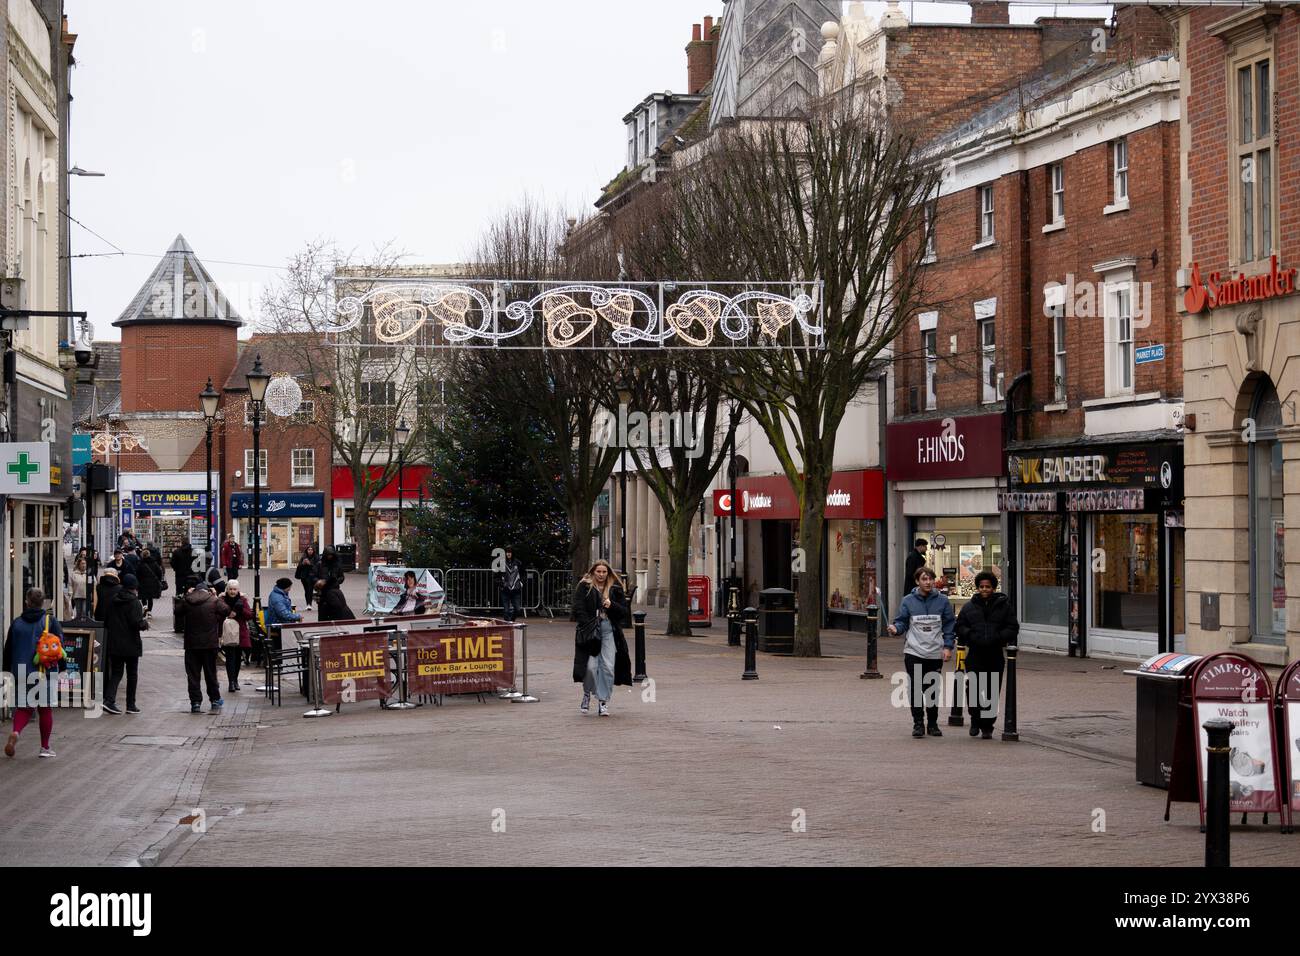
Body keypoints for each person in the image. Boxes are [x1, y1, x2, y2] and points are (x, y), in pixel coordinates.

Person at [888, 566, 955, 739]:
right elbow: (902, 622)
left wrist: (948, 647)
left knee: (932, 689)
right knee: (916, 688)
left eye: (930, 579)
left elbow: (949, 625)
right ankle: (918, 723)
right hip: (914, 652)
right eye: (924, 579)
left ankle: (932, 724)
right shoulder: (908, 601)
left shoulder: (943, 601)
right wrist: (896, 629)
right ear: (917, 581)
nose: (928, 582)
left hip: (934, 653)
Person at [955, 570, 1019, 739]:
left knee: (991, 691)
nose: (984, 589)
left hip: (995, 655)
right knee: (974, 689)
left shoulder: (1004, 607)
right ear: (977, 588)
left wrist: (999, 637)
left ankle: (988, 725)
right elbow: (960, 626)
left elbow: (1013, 627)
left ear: (993, 588)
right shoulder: (968, 607)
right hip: (975, 654)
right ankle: (975, 719)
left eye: (988, 587)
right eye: (981, 586)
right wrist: (970, 635)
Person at [3, 589, 64, 758]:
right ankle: (44, 748)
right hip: (44, 671)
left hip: (22, 671)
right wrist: (64, 668)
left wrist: (7, 670)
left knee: (23, 708)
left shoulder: (16, 623)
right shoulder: (50, 621)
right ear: (43, 602)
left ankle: (15, 732)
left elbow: (8, 649)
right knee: (45, 710)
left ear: (26, 602)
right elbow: (59, 647)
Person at [571, 560, 632, 717]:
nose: (601, 575)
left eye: (604, 572)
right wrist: (588, 624)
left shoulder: (615, 588)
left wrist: (611, 605)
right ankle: (587, 693)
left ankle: (603, 701)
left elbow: (624, 612)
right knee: (590, 667)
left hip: (609, 631)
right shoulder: (584, 586)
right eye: (598, 571)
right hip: (591, 632)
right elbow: (578, 608)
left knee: (608, 667)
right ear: (593, 572)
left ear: (608, 573)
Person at [102, 573, 147, 715]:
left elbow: (107, 620)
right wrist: (144, 623)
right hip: (131, 644)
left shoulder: (113, 600)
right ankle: (131, 704)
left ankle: (109, 700)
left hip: (115, 643)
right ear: (134, 587)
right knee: (132, 674)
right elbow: (136, 623)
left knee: (116, 673)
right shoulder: (134, 602)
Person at [177, 582, 225, 714]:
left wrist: (187, 595)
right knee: (210, 673)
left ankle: (195, 703)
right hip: (210, 645)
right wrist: (215, 596)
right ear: (207, 590)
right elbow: (226, 610)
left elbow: (177, 611)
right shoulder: (213, 600)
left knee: (193, 675)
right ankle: (215, 699)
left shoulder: (188, 600)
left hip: (192, 645)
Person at [219, 581, 254, 694]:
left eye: (234, 589)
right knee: (230, 658)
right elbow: (218, 614)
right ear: (227, 590)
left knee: (238, 658)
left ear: (238, 590)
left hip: (240, 633)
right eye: (230, 589)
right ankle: (231, 683)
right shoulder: (222, 600)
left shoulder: (242, 601)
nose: (232, 591)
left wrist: (240, 609)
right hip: (228, 633)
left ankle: (235, 680)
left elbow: (249, 615)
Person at [498, 548, 524, 623]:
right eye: (507, 552)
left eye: (510, 552)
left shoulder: (518, 562)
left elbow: (523, 573)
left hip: (516, 590)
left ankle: (511, 621)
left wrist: (521, 582)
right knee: (506, 611)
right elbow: (496, 576)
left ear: (512, 553)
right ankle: (508, 624)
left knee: (517, 609)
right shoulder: (501, 563)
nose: (508, 554)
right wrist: (501, 584)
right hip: (505, 590)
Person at [135, 545, 163, 616]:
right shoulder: (154, 563)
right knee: (150, 598)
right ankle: (149, 611)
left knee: (144, 597)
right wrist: (158, 580)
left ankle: (145, 608)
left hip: (143, 583)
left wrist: (138, 582)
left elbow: (137, 574)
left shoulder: (140, 564)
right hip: (152, 583)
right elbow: (159, 572)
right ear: (149, 555)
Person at [295, 545, 321, 609]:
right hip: (304, 577)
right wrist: (303, 564)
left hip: (312, 577)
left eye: (311, 550)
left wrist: (310, 564)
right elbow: (299, 567)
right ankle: (308, 604)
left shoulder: (316, 557)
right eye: (309, 550)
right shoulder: (303, 557)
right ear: (306, 550)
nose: (310, 551)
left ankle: (309, 604)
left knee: (310, 590)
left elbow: (317, 567)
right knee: (306, 590)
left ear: (313, 550)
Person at [69, 555, 92, 619]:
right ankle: (78, 625)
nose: (84, 565)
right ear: (79, 564)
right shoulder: (74, 574)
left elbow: (94, 583)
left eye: (85, 563)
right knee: (78, 612)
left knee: (84, 611)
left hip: (86, 595)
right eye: (82, 563)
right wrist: (70, 592)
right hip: (77, 595)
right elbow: (70, 584)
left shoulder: (89, 574)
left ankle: (84, 625)